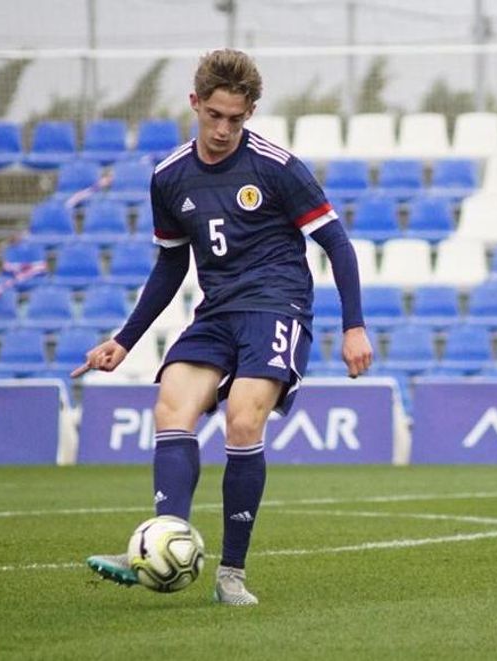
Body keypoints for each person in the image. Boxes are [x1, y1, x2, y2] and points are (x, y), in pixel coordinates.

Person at [78, 48, 372, 606]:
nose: (223, 129)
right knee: (171, 404)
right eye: (214, 115)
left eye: (236, 118)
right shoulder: (168, 177)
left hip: (277, 306)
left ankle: (231, 573)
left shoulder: (276, 168)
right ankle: (161, 541)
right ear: (195, 104)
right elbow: (171, 264)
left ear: (251, 112)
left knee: (242, 417)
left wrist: (353, 326)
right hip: (216, 311)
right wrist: (124, 339)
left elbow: (336, 242)